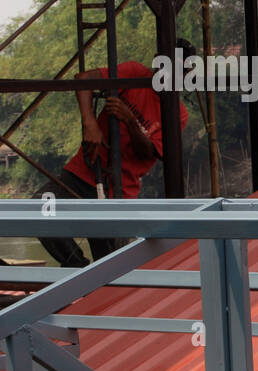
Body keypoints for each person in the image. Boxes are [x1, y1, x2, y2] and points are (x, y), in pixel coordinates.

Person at [34, 43, 192, 268]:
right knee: (40, 209)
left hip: (120, 190)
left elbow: (148, 153)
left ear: (186, 73)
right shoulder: (135, 73)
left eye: (179, 70)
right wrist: (90, 124)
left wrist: (129, 120)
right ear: (156, 59)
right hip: (85, 171)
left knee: (112, 265)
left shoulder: (177, 112)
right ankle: (77, 268)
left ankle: (101, 291)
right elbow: (84, 79)